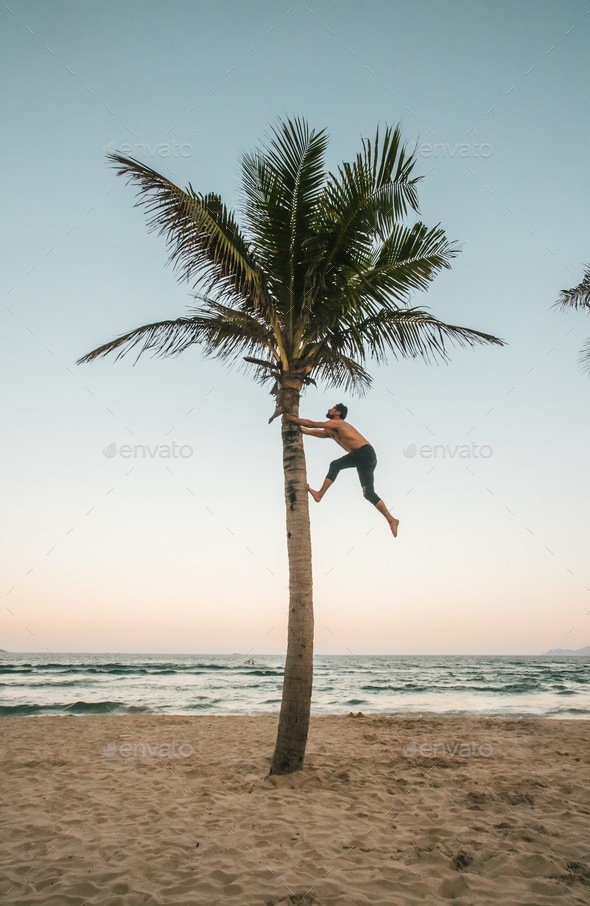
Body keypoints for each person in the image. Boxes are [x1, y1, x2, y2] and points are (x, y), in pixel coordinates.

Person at [286, 404, 399, 538]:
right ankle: (391, 519)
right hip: (365, 458)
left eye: (332, 408)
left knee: (335, 465)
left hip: (365, 453)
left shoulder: (338, 423)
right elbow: (309, 430)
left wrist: (291, 418)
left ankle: (319, 494)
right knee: (368, 493)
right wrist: (295, 426)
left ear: (337, 413)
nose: (329, 409)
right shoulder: (331, 431)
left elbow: (313, 424)